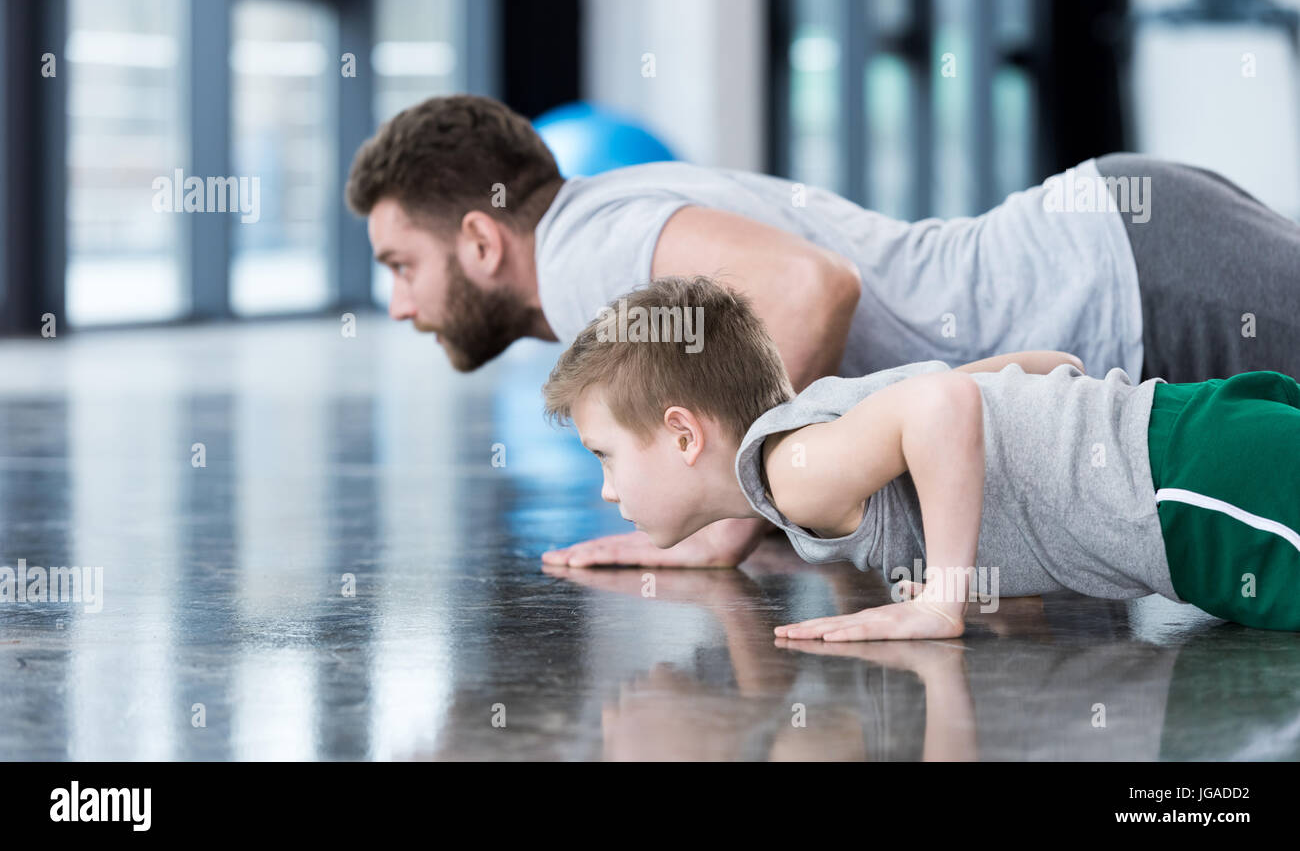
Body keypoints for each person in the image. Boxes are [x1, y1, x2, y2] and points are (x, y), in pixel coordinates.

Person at [345, 93, 1300, 570]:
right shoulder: (601, 217)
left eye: (401, 266)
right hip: (1126, 252)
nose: (397, 303)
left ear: (478, 240)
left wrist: (725, 518)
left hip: (1130, 276)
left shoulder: (582, 253)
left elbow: (810, 288)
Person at [541, 276, 1300, 639]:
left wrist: (943, 597)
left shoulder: (791, 472)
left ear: (682, 435)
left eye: (605, 455)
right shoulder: (830, 414)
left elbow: (944, 408)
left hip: (1192, 490)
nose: (608, 491)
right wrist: (1027, 549)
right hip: (1199, 434)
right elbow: (1041, 364)